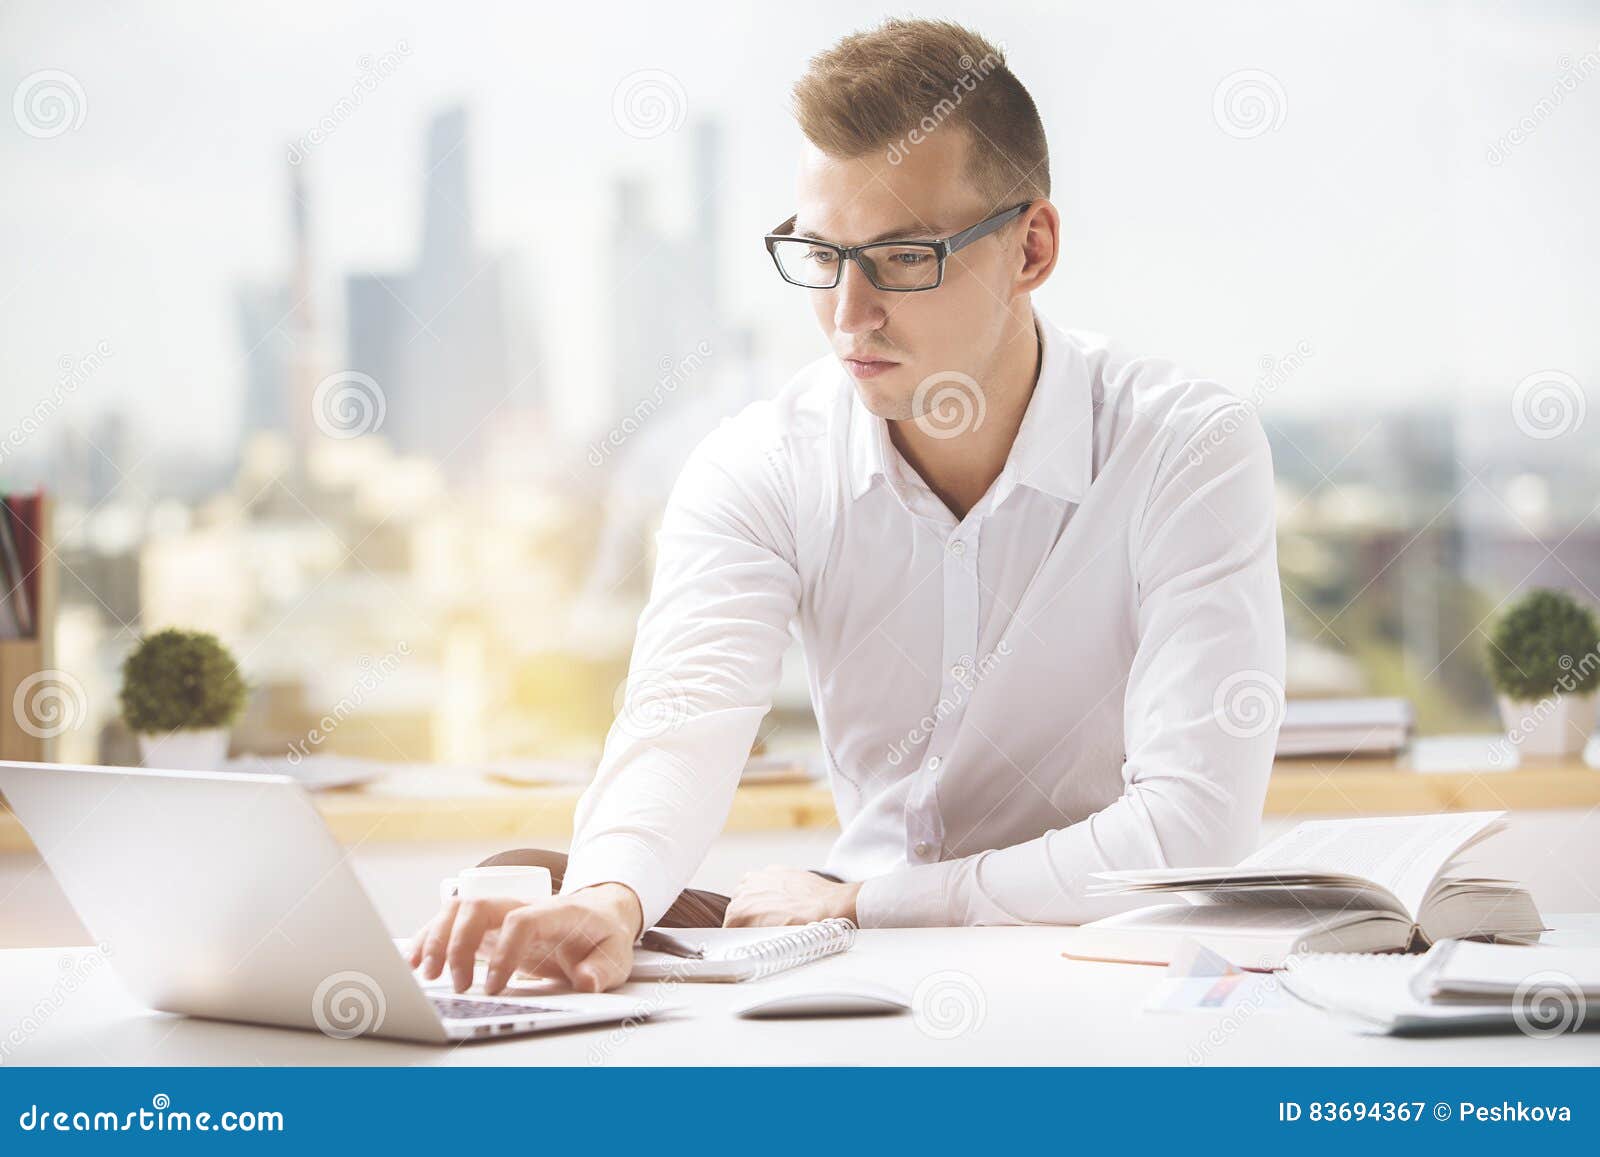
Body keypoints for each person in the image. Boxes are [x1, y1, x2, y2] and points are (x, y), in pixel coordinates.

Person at [411, 17, 1285, 997]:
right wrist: (611, 891)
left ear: (1031, 247)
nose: (847, 312)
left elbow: (1190, 828)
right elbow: (681, 724)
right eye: (821, 254)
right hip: (871, 982)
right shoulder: (760, 466)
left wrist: (874, 898)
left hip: (1128, 971)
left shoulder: (1181, 446)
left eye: (904, 258)